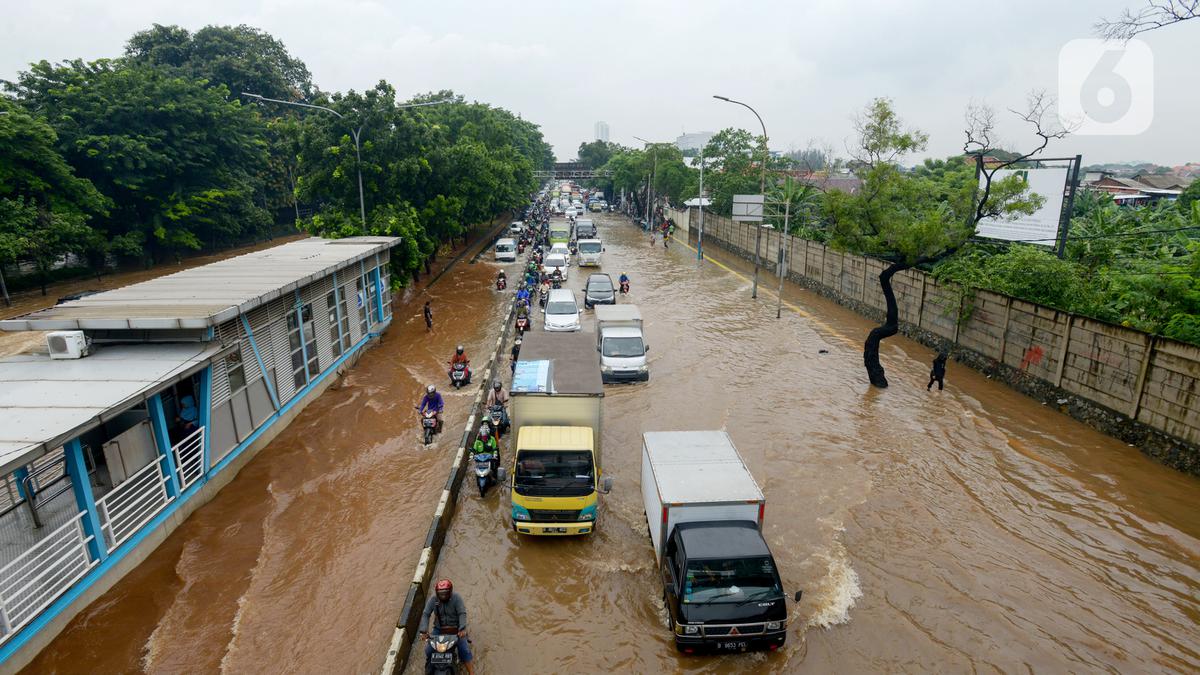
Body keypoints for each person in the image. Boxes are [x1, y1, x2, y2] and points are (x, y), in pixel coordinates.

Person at [420, 579, 474, 675]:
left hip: (456, 629)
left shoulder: (457, 598)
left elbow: (462, 613)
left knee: (464, 650)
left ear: (450, 591)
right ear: (437, 593)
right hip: (439, 629)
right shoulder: (433, 599)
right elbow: (425, 614)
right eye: (441, 594)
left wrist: (462, 629)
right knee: (428, 651)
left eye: (445, 593)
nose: (443, 596)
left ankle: (471, 673)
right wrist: (424, 630)